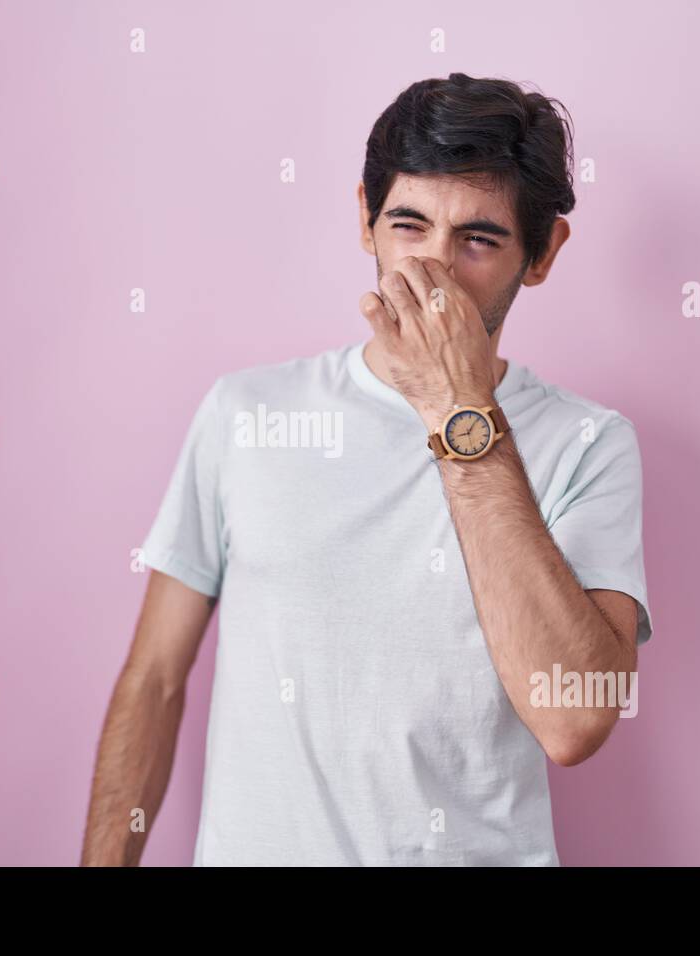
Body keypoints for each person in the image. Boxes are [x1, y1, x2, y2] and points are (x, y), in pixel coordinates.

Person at [82, 72, 654, 866]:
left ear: (543, 253)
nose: (434, 270)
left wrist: (459, 407)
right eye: (409, 225)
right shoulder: (248, 413)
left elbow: (574, 721)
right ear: (365, 220)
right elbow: (153, 682)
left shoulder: (589, 444)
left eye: (479, 239)